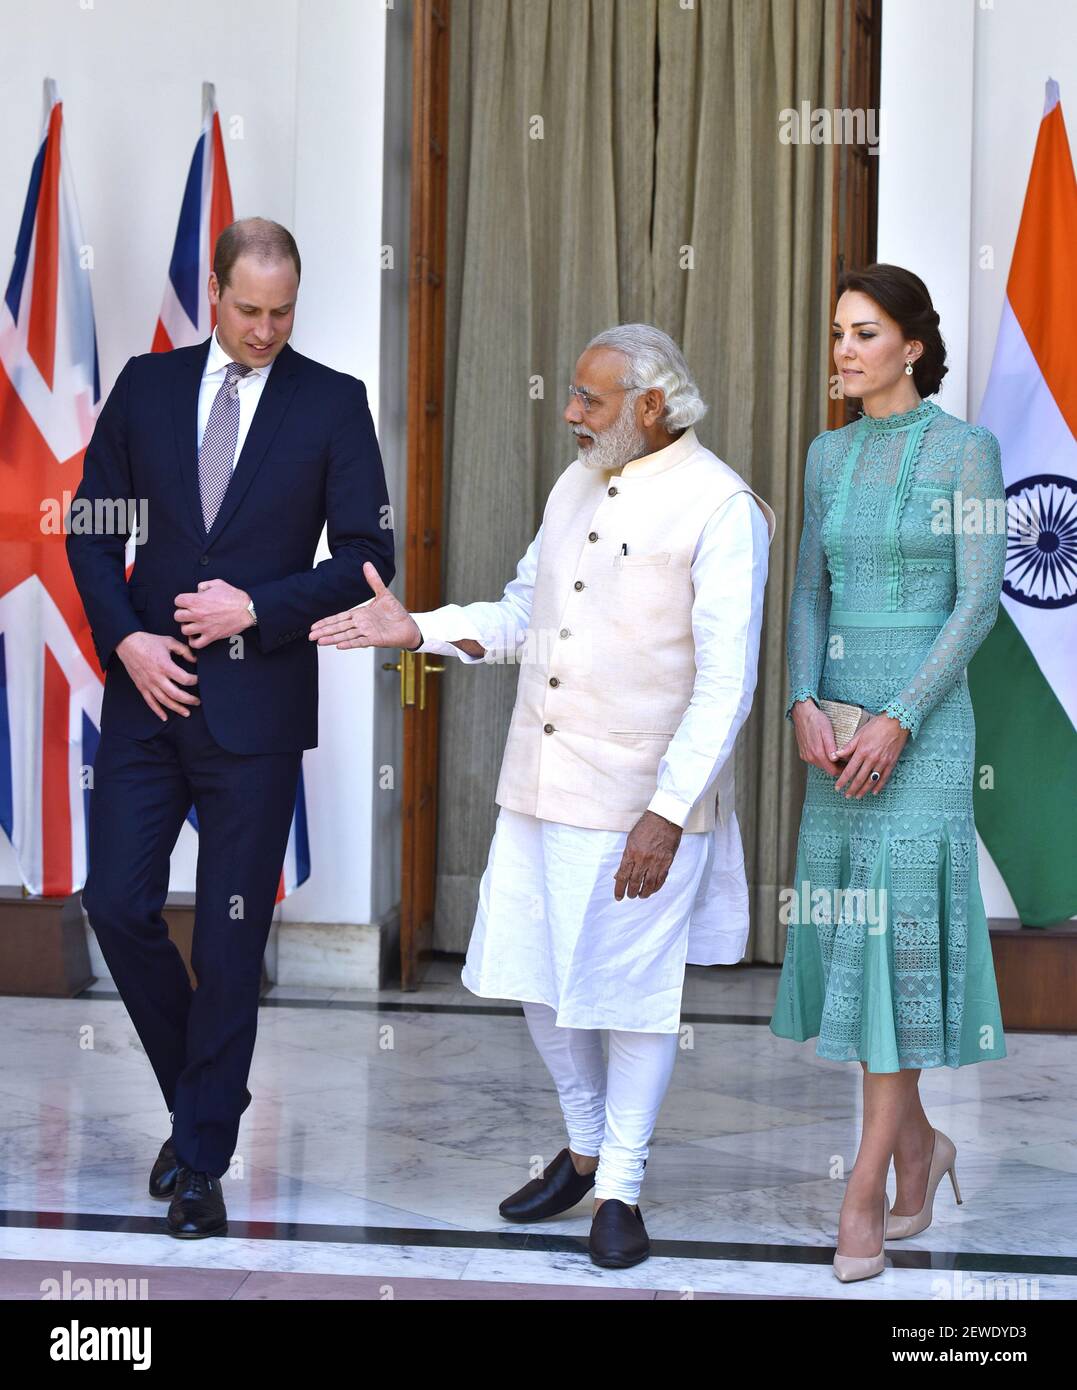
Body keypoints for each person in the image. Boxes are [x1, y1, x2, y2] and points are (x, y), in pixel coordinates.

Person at [311, 323, 775, 1268]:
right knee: (530, 975)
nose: (569, 412)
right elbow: (526, 614)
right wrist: (418, 629)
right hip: (538, 785)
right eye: (572, 394)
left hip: (645, 804)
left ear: (650, 407)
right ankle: (582, 1145)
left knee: (631, 997)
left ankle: (622, 1191)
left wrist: (668, 813)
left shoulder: (721, 507)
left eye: (589, 399)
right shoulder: (575, 483)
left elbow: (727, 684)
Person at [66, 217, 394, 1239]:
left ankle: (201, 1159)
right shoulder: (146, 386)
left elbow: (369, 554)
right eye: (248, 310)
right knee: (115, 903)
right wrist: (124, 642)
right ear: (214, 295)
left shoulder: (334, 402)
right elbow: (90, 530)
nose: (264, 328)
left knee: (232, 936)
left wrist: (257, 606)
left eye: (283, 311)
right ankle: (206, 1097)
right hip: (147, 700)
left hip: (257, 712)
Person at [770, 263, 1007, 1283]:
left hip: (923, 737)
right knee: (855, 948)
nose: (843, 352)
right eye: (836, 333)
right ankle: (921, 1146)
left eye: (864, 334)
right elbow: (809, 592)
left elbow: (979, 601)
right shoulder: (826, 455)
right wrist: (801, 702)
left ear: (912, 344)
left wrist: (902, 720)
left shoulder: (967, 452)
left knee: (896, 947)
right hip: (836, 731)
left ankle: (863, 1188)